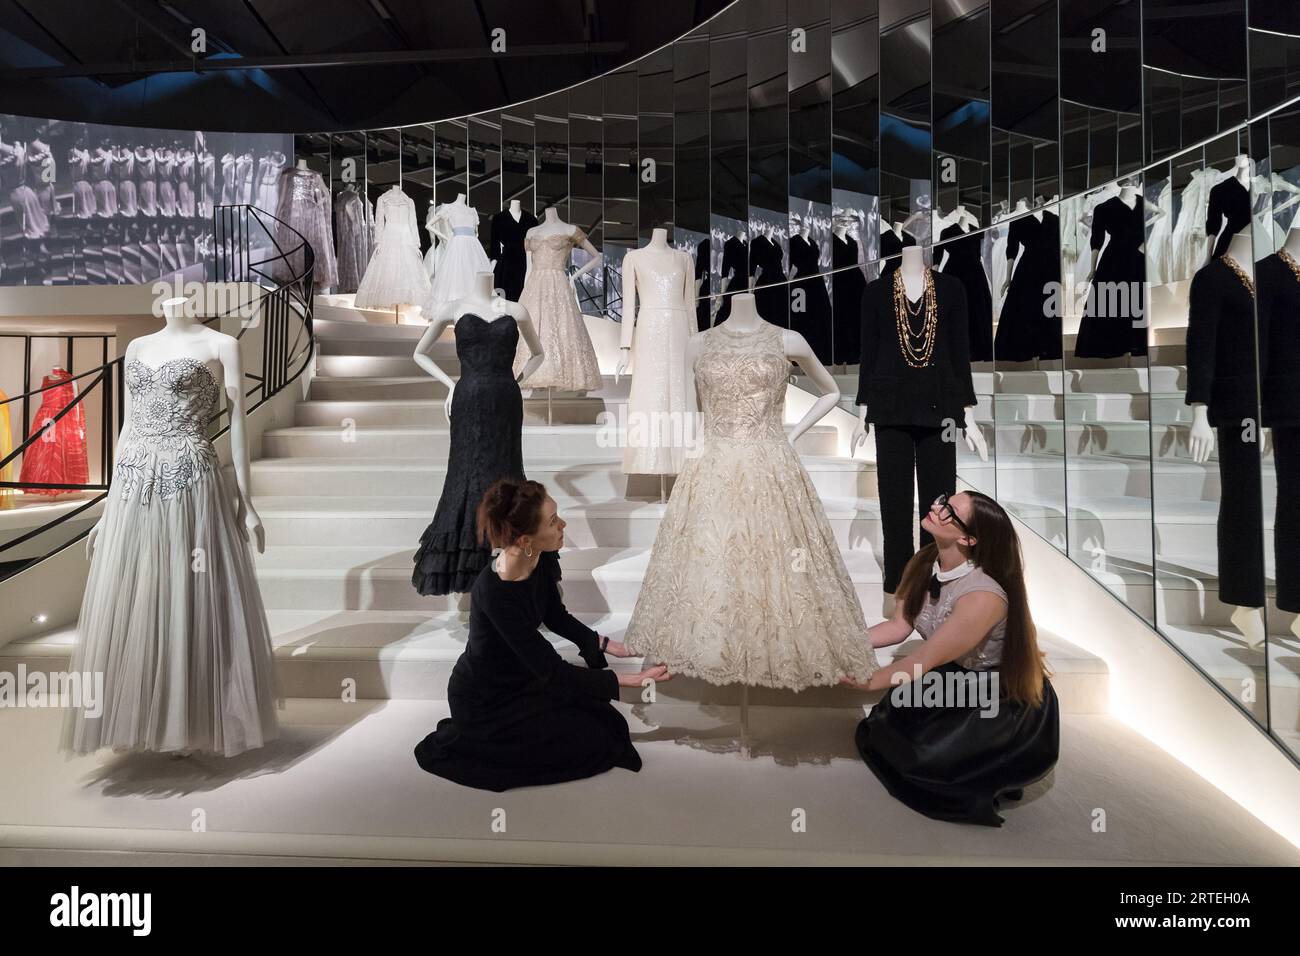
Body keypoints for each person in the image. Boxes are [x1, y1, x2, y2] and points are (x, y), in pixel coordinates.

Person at [414, 478, 670, 790]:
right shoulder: (494, 592)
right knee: (593, 740)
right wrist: (622, 680)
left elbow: (554, 615)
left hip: (522, 680)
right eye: (553, 522)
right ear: (524, 540)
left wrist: (604, 644)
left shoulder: (541, 556)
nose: (563, 525)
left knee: (609, 722)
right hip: (487, 699)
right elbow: (549, 668)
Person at [844, 490, 1059, 826]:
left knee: (931, 764)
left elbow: (925, 658)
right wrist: (845, 643)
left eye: (948, 509)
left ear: (968, 537)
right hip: (955, 675)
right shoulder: (924, 562)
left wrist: (869, 680)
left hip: (996, 694)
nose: (936, 506)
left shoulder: (982, 595)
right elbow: (900, 625)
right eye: (943, 500)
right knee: (885, 731)